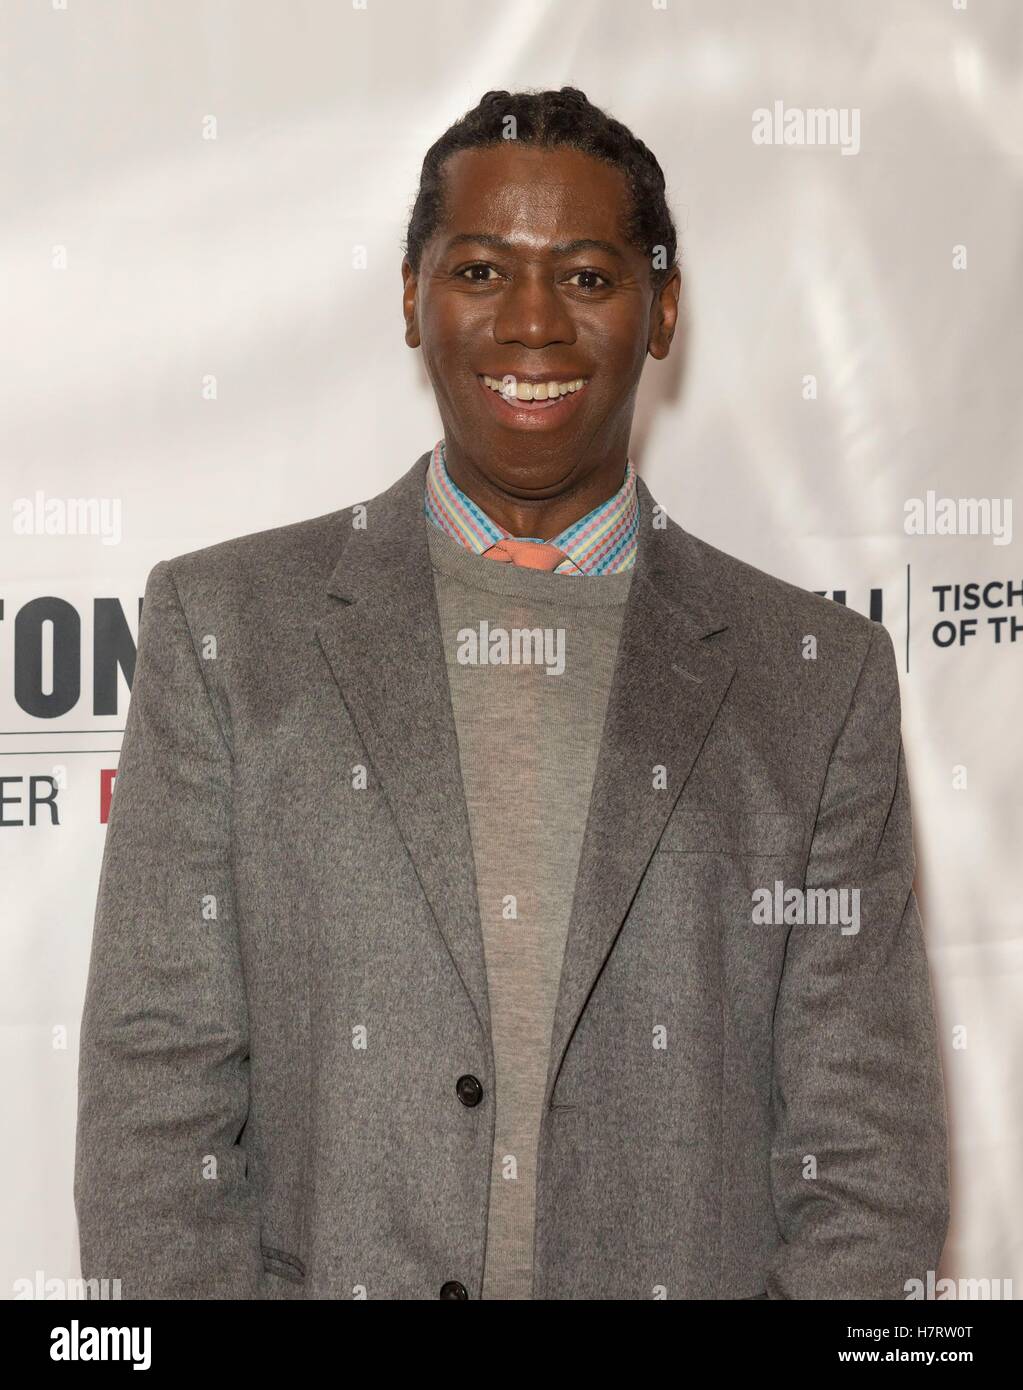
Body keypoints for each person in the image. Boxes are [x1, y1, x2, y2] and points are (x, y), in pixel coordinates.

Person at [74, 86, 950, 1300]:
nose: (531, 322)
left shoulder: (817, 680)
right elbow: (154, 1114)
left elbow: (869, 1163)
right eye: (481, 271)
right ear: (410, 299)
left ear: (662, 310)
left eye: (588, 278)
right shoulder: (226, 631)